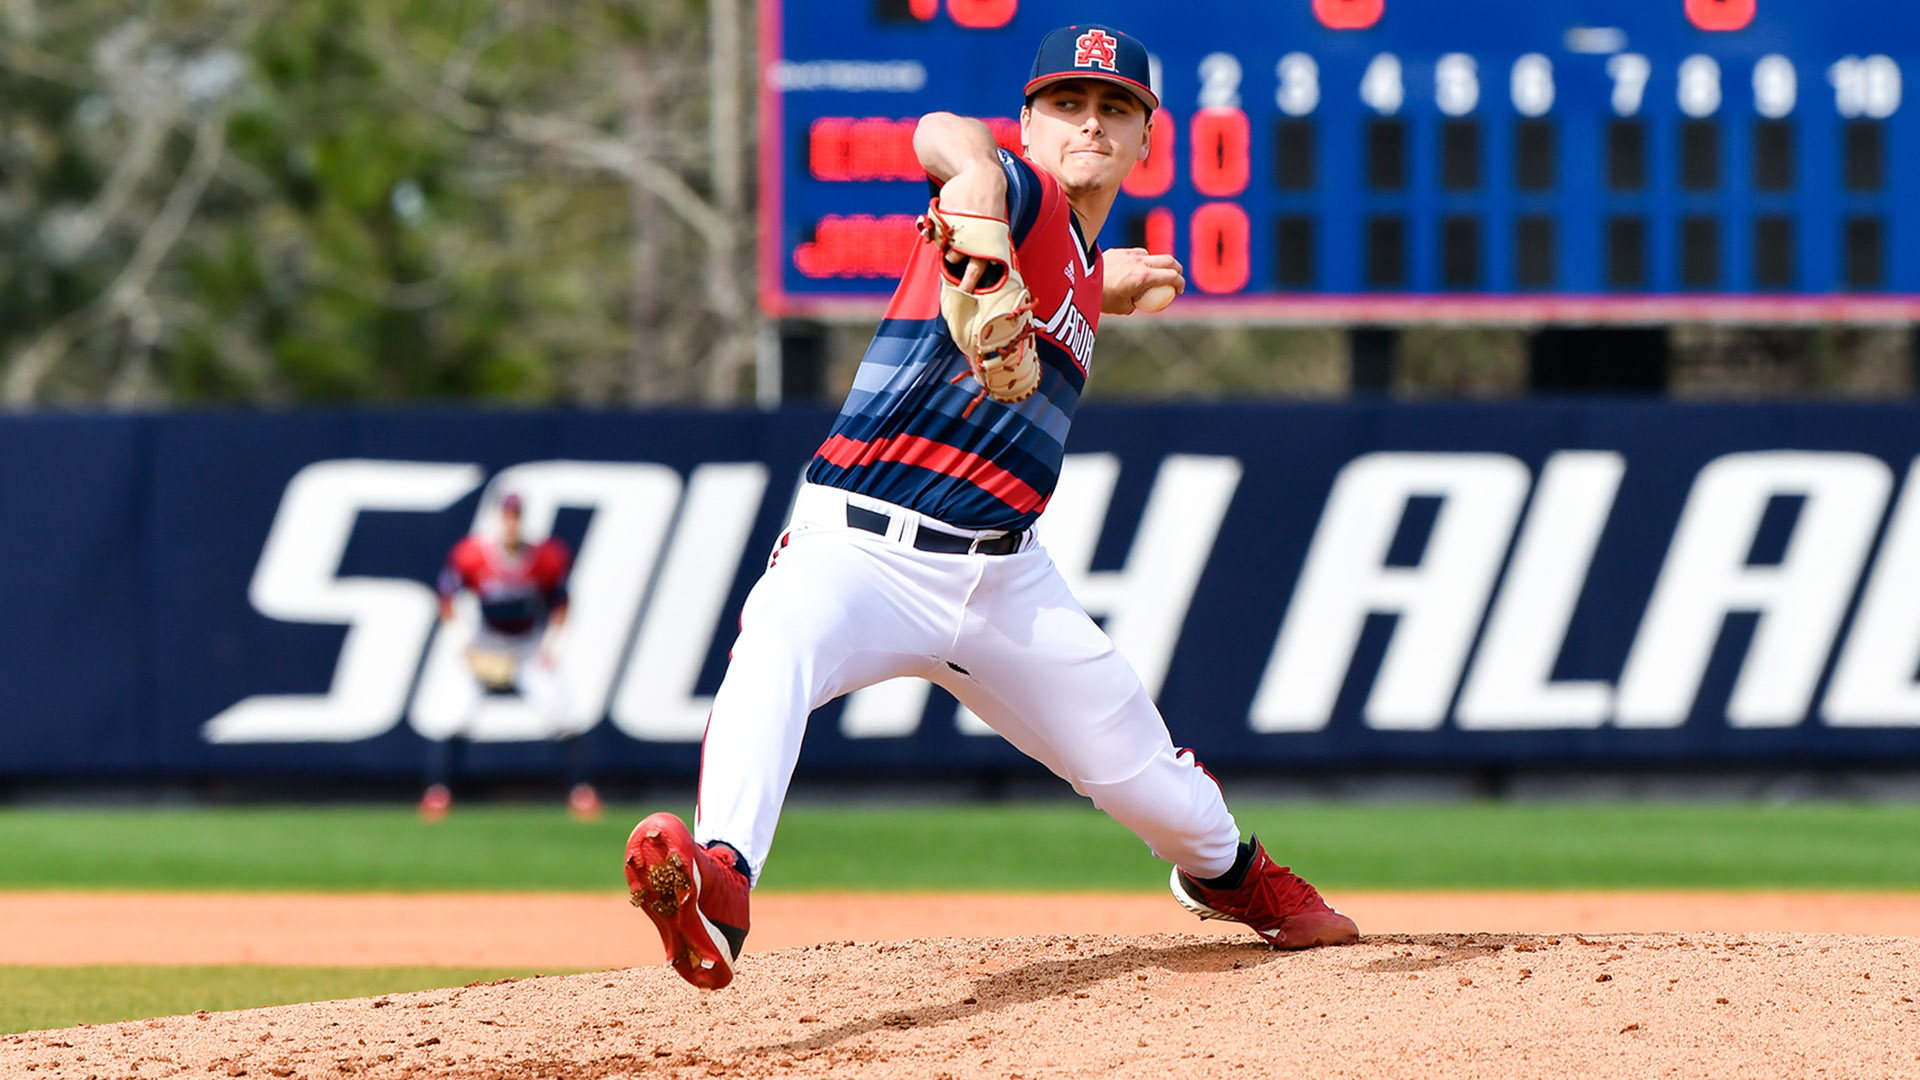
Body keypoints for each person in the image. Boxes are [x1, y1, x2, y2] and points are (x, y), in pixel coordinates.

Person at [624, 23, 1357, 990]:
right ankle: (719, 886)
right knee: (775, 649)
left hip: (1006, 578)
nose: (1087, 123)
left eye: (1113, 109)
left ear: (1145, 141)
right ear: (1027, 123)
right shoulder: (1018, 191)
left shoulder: (1085, 261)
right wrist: (971, 173)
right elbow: (939, 134)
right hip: (859, 546)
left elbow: (1064, 282)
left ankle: (1231, 879)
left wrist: (1104, 287)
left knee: (1161, 792)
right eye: (1065, 104)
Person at [419, 492, 601, 822]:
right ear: (497, 520)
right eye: (506, 516)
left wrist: (552, 648)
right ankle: (437, 793)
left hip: (526, 646)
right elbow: (446, 597)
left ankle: (581, 792)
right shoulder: (473, 556)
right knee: (454, 715)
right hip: (486, 643)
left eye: (515, 516)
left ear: (522, 520)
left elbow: (562, 604)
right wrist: (463, 645)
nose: (511, 523)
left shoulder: (546, 557)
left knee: (561, 714)